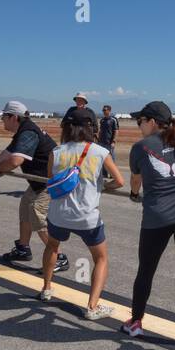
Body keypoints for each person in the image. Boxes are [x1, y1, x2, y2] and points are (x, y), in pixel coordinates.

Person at [120, 101, 175, 347]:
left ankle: (135, 322)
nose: (138, 126)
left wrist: (134, 195)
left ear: (152, 122)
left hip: (157, 218)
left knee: (146, 272)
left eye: (140, 121)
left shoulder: (140, 148)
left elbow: (136, 181)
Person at [38, 106, 125, 318]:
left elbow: (52, 180)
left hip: (58, 214)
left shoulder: (56, 152)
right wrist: (102, 187)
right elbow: (120, 181)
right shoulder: (100, 152)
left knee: (52, 246)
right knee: (101, 258)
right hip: (87, 217)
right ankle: (92, 307)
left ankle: (46, 288)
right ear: (91, 128)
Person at [0, 100, 68, 273]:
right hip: (39, 181)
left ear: (14, 117)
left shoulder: (28, 132)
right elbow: (6, 154)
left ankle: (59, 256)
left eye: (4, 117)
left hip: (49, 181)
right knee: (25, 207)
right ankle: (22, 249)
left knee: (36, 215)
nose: (2, 120)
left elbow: (15, 161)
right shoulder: (23, 131)